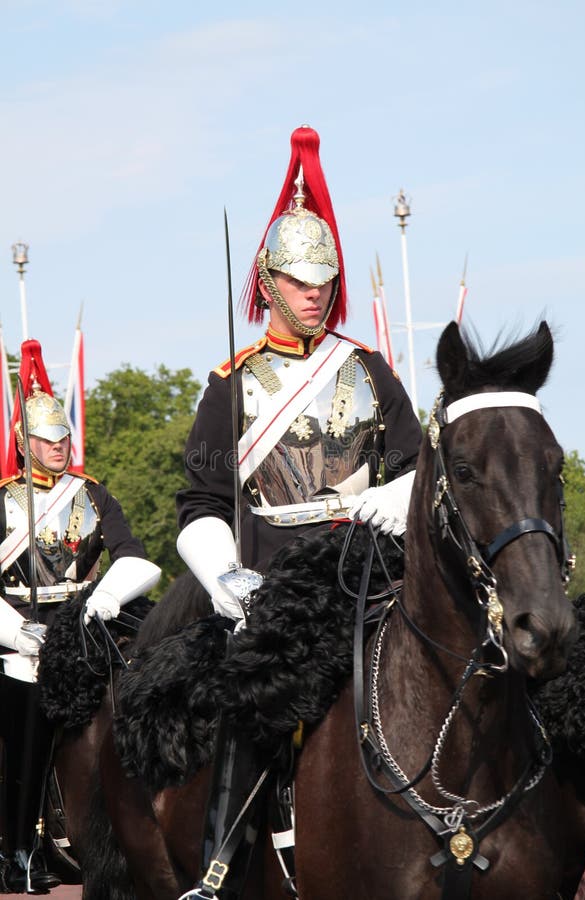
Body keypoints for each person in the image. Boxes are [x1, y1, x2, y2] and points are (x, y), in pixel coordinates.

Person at [176, 126, 422, 897]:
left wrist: (391, 497)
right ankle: (217, 867)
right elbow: (203, 500)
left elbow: (423, 465)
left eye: (325, 280)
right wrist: (224, 575)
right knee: (251, 697)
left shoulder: (368, 370)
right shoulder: (232, 384)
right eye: (300, 280)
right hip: (276, 575)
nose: (315, 293)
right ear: (269, 281)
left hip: (371, 562)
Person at [0, 339, 161, 894]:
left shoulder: (92, 495)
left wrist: (107, 598)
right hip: (20, 633)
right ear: (25, 443)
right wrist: (18, 630)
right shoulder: (3, 500)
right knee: (27, 709)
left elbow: (134, 556)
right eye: (46, 440)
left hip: (88, 623)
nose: (59, 446)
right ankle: (19, 846)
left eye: (63, 437)